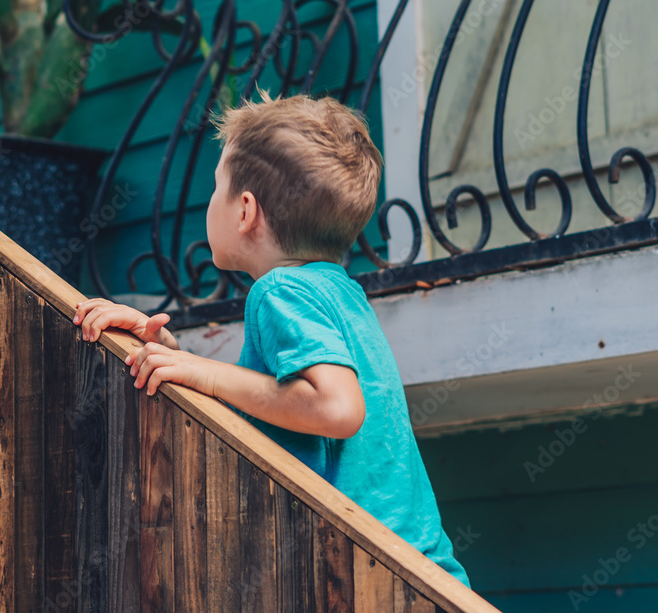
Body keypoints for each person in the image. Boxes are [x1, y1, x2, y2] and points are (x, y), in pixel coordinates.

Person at [72, 92, 470, 586]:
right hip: (416, 573)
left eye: (216, 187)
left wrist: (208, 373)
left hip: (371, 577)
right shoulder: (339, 292)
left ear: (245, 211)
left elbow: (336, 409)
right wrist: (175, 359)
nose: (209, 202)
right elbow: (282, 408)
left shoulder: (279, 290)